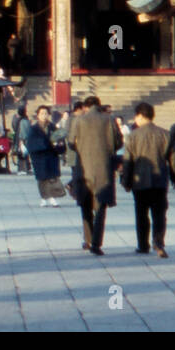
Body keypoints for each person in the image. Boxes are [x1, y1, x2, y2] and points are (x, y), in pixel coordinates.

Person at [68, 101, 122, 255]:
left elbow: (71, 143)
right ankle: (97, 244)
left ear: (86, 107)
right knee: (100, 208)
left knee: (85, 205)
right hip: (103, 169)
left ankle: (88, 238)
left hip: (83, 168)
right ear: (98, 106)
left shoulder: (79, 120)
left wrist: (83, 148)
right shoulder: (109, 119)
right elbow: (119, 142)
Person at [122, 102, 173, 257]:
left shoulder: (133, 136)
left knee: (141, 214)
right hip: (159, 181)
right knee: (159, 214)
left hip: (140, 182)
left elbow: (128, 162)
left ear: (140, 116)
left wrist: (126, 182)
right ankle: (158, 242)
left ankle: (143, 245)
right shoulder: (165, 134)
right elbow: (173, 158)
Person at [26, 105, 63, 207]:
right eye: (42, 113)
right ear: (38, 115)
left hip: (51, 155)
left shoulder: (52, 127)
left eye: (46, 113)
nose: (44, 115)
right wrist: (46, 143)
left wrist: (58, 144)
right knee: (42, 179)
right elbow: (31, 143)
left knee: (52, 178)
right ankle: (43, 198)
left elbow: (59, 139)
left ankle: (53, 197)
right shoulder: (33, 128)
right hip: (39, 157)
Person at [13, 108, 32, 174]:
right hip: (27, 140)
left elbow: (20, 131)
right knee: (25, 154)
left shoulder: (21, 121)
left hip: (21, 140)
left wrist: (21, 140)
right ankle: (28, 168)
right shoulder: (26, 120)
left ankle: (22, 169)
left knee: (21, 155)